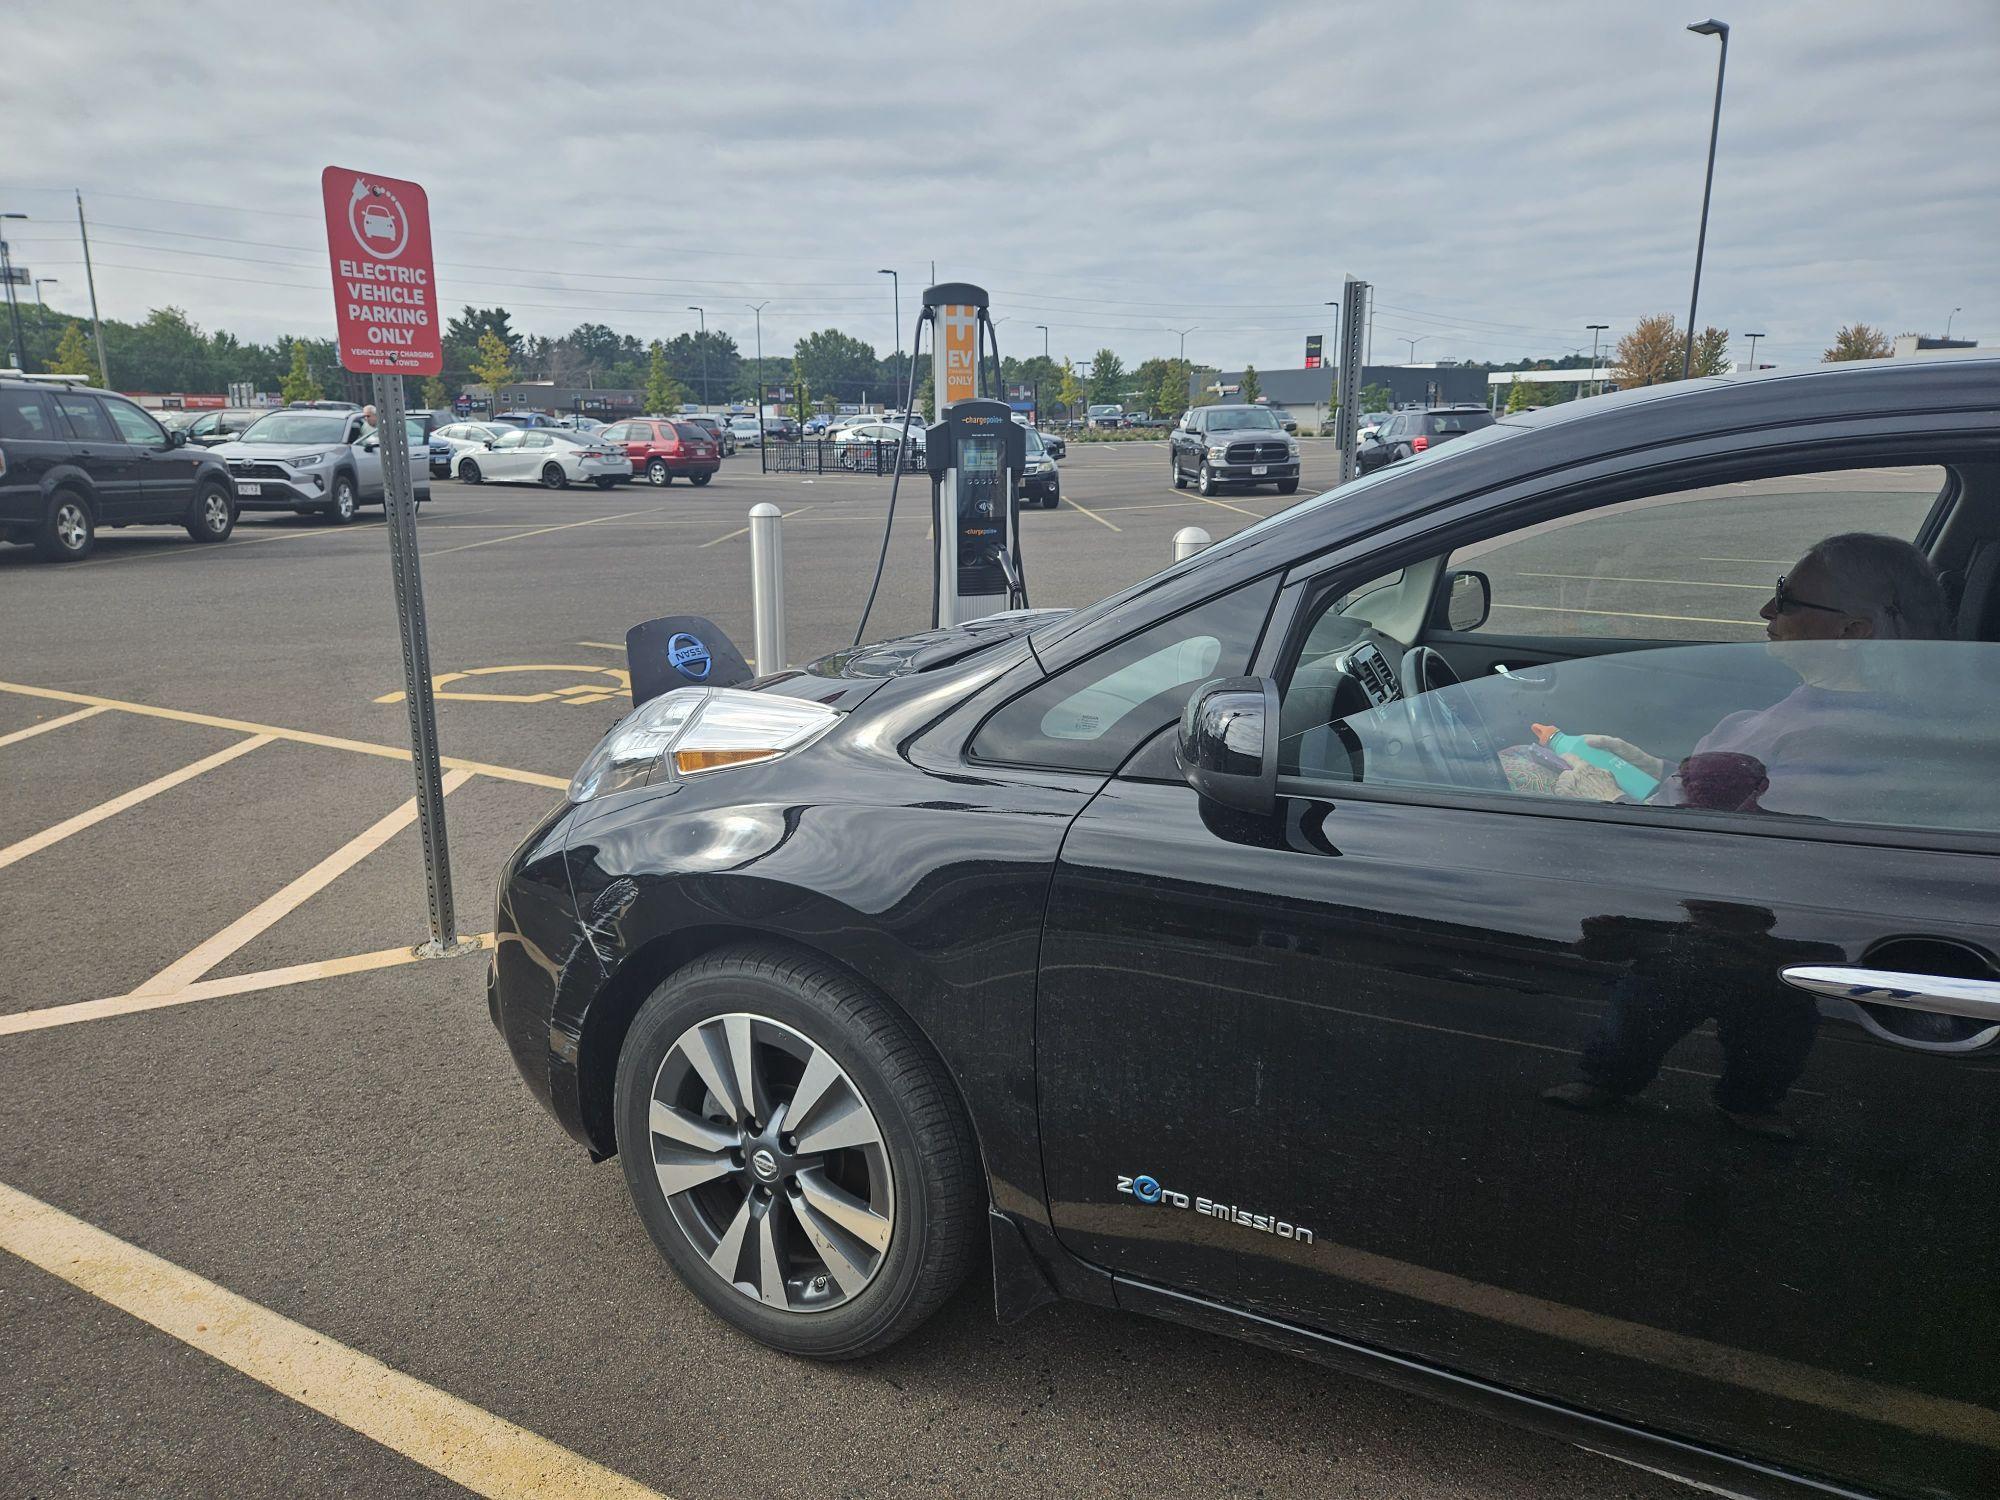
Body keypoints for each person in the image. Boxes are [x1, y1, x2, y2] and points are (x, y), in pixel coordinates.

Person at [1546, 533, 1952, 813]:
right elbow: (1734, 795)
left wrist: (1609, 802)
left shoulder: (1840, 742)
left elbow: (1732, 850)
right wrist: (1653, 768)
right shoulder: (1832, 714)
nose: (1767, 610)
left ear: (1850, 632)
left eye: (1787, 599)